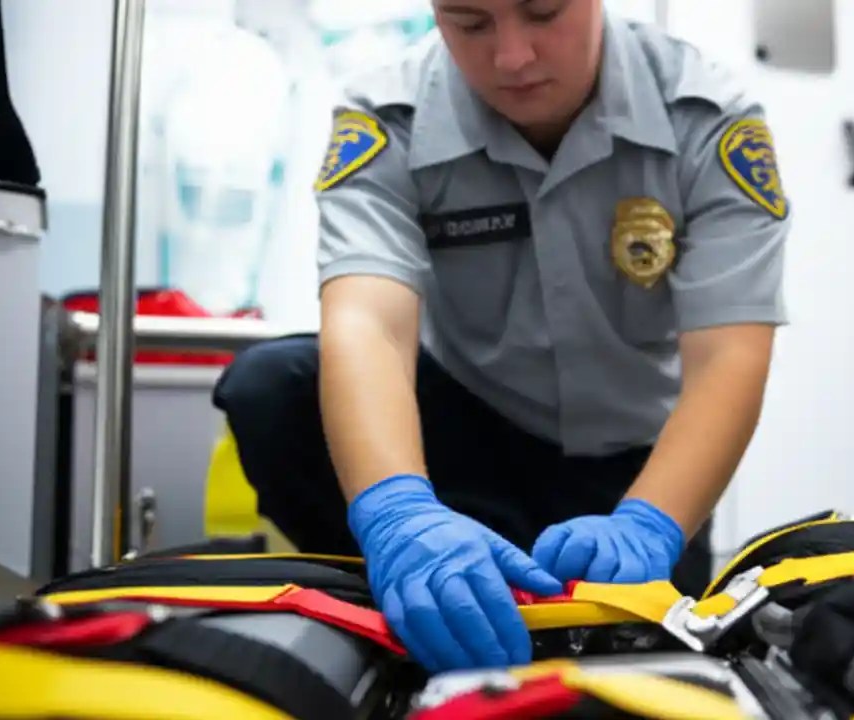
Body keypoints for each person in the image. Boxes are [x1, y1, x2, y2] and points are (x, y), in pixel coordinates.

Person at [212, 0, 790, 675]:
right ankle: (403, 609)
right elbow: (368, 322)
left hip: (638, 477)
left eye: (543, 12)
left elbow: (727, 356)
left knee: (641, 682)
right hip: (464, 446)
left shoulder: (707, 118)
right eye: (471, 23)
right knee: (271, 389)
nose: (512, 57)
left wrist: (651, 524)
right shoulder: (388, 119)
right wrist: (398, 513)